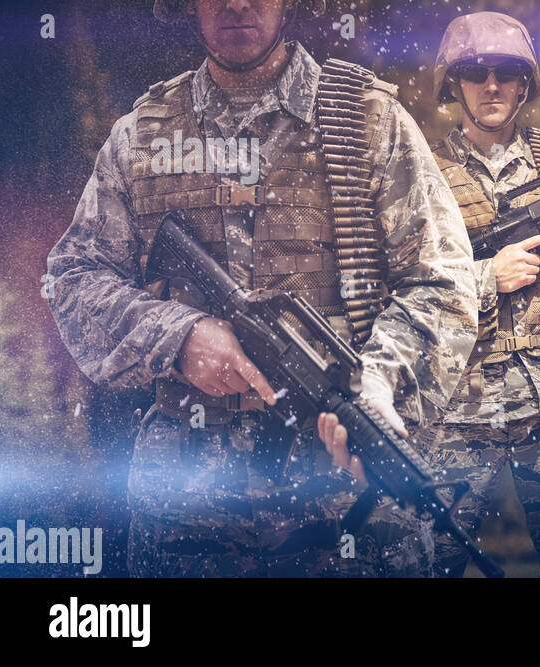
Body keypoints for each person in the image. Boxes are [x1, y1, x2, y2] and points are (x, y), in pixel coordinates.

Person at [44, 0, 478, 576]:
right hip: (187, 503)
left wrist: (376, 382)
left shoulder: (367, 120)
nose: (237, 3)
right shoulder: (144, 134)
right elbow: (72, 279)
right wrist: (178, 334)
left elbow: (442, 282)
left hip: (343, 498)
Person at [403, 10, 540, 577]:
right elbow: (399, 292)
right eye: (476, 73)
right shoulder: (423, 175)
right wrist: (485, 278)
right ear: (454, 85)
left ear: (525, 83)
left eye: (506, 72)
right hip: (456, 408)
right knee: (430, 563)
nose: (492, 85)